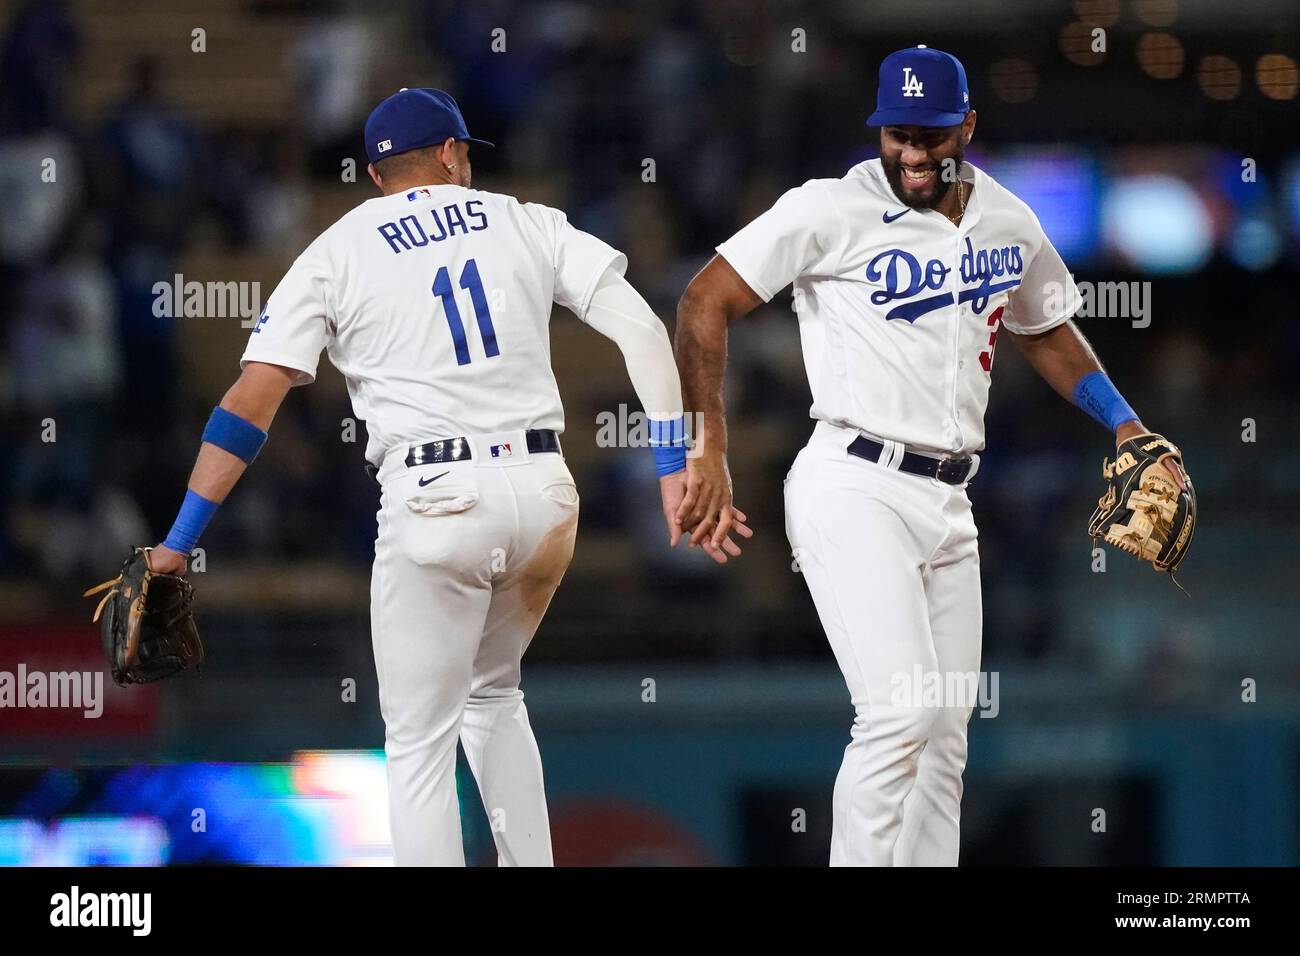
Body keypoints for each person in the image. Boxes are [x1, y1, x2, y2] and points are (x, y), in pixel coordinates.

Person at [144, 88, 749, 866]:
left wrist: (178, 540)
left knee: (418, 742)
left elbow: (246, 407)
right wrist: (673, 465)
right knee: (494, 697)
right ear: (455, 154)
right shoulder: (523, 218)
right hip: (543, 494)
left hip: (436, 500)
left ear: (373, 174)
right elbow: (638, 326)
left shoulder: (338, 248)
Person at [672, 46, 1186, 865]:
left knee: (945, 738)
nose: (912, 153)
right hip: (853, 483)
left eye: (931, 136)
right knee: (899, 715)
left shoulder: (1008, 219)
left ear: (968, 128)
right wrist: (707, 445)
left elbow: (1044, 325)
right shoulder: (827, 210)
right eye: (898, 134)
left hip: (951, 500)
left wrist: (1123, 423)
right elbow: (706, 298)